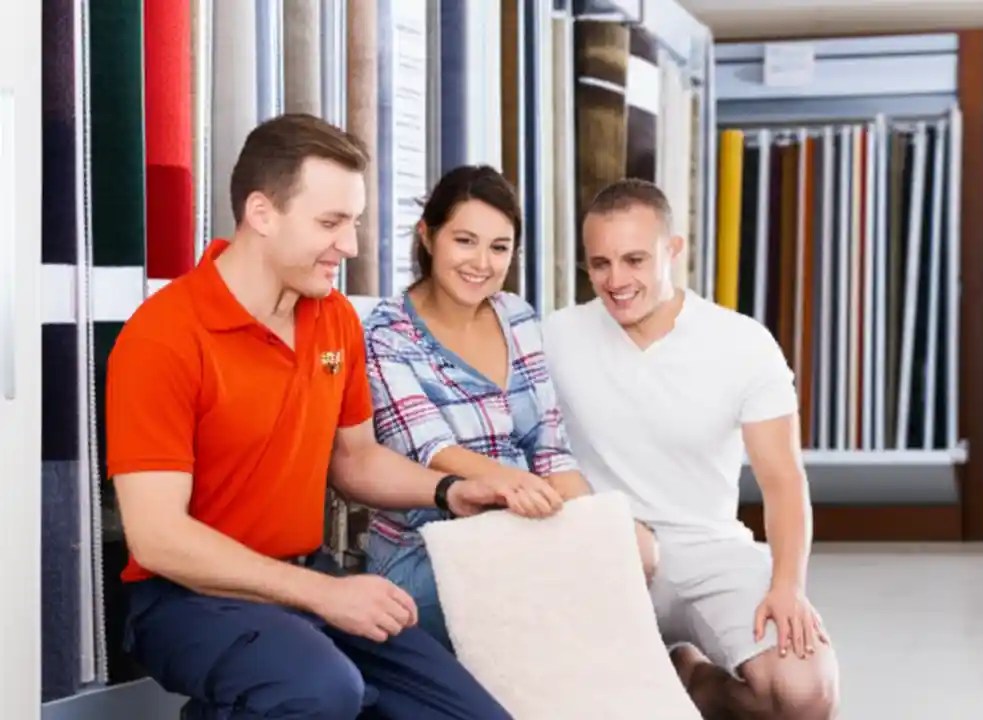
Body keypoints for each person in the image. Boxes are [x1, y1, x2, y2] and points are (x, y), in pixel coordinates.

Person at [105, 114, 537, 720]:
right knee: (322, 690)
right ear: (262, 213)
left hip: (306, 580)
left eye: (353, 222)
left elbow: (354, 458)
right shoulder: (163, 337)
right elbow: (158, 539)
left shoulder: (332, 318)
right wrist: (324, 595)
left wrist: (448, 489)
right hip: (186, 599)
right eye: (330, 223)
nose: (351, 246)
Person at [541, 179, 840, 719]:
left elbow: (783, 480)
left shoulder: (743, 343)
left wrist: (787, 586)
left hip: (713, 551)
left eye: (634, 260)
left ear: (673, 249)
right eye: (600, 264)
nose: (616, 281)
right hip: (609, 553)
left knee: (804, 692)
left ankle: (691, 680)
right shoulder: (554, 337)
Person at [361, 164, 657, 650]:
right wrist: (520, 490)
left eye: (499, 248)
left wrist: (594, 524)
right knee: (577, 583)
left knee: (634, 548)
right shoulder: (386, 334)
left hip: (525, 526)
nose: (482, 262)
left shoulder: (516, 317)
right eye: (465, 241)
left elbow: (550, 450)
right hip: (427, 548)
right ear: (428, 236)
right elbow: (434, 452)